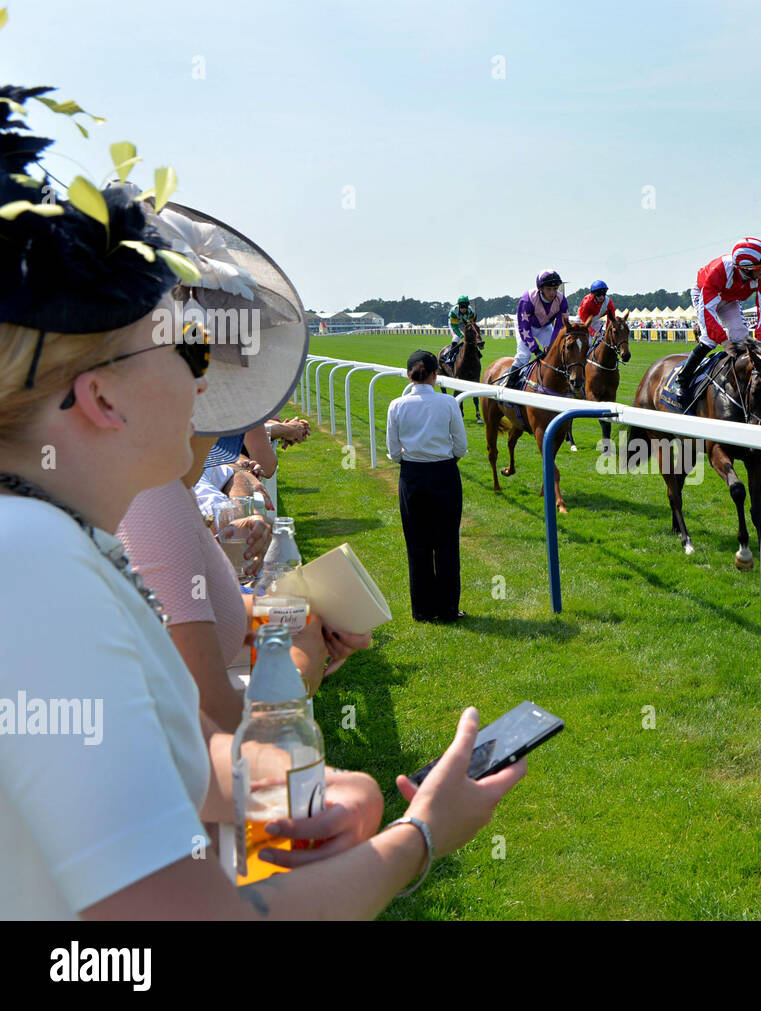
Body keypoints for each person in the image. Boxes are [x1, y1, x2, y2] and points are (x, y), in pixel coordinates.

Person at [0, 92, 521, 918]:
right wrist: (422, 835)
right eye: (185, 347)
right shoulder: (31, 560)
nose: (204, 380)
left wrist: (291, 783)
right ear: (101, 397)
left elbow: (174, 750)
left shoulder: (56, 540)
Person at [386, 349, 469, 623]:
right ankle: (447, 609)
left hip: (411, 477)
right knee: (446, 544)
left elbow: (393, 451)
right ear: (436, 374)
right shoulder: (448, 403)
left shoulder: (396, 405)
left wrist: (412, 460)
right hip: (445, 474)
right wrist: (443, 460)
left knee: (417, 545)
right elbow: (461, 446)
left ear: (409, 375)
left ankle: (422, 610)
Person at [674, 237, 761, 398]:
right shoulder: (719, 270)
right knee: (709, 339)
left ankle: (739, 381)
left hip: (730, 299)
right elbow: (707, 310)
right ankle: (681, 380)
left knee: (741, 335)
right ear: (747, 268)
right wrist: (724, 341)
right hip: (705, 295)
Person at [508, 270, 568, 391]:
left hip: (545, 327)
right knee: (524, 356)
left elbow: (560, 327)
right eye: (549, 289)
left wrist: (551, 345)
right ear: (540, 288)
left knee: (556, 354)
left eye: (555, 289)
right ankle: (509, 385)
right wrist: (535, 349)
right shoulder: (527, 299)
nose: (552, 293)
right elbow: (523, 328)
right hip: (526, 327)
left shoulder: (562, 300)